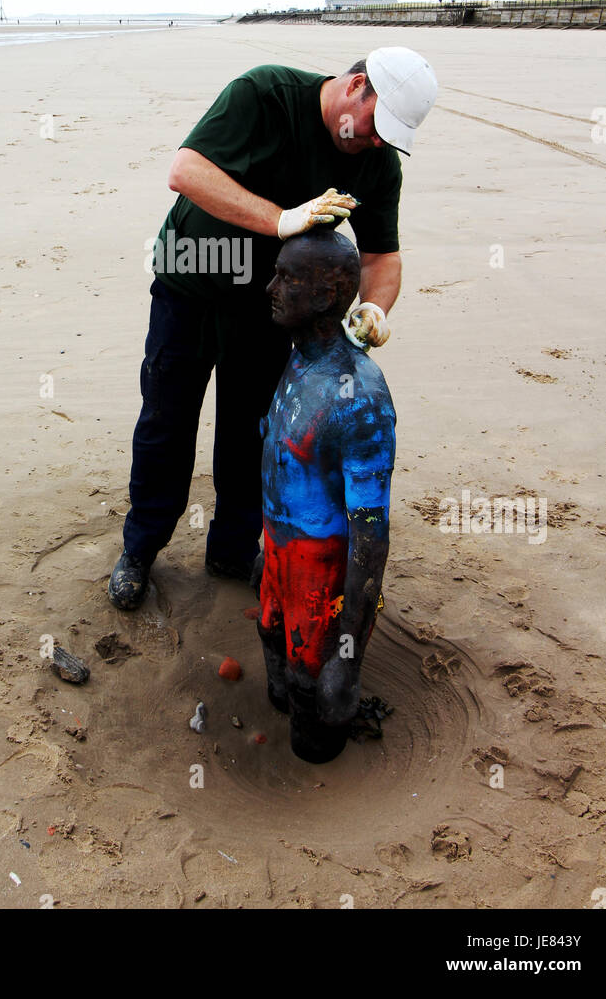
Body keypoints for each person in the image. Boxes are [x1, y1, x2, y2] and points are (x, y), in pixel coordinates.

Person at [108, 47, 436, 611]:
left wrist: (376, 309)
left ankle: (233, 551)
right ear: (356, 86)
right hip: (192, 276)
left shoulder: (379, 162)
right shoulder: (264, 94)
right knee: (166, 419)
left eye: (390, 136)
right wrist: (281, 220)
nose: (376, 141)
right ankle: (141, 548)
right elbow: (186, 171)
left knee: (249, 431)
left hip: (269, 306)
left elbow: (383, 256)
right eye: (376, 125)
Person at [258, 228, 395, 763]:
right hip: (280, 551)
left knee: (312, 707)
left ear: (323, 296)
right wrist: (265, 547)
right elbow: (279, 459)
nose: (271, 286)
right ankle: (297, 694)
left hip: (320, 568)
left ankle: (324, 736)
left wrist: (348, 654)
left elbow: (370, 538)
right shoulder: (299, 361)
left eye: (287, 278)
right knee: (274, 650)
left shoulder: (360, 398)